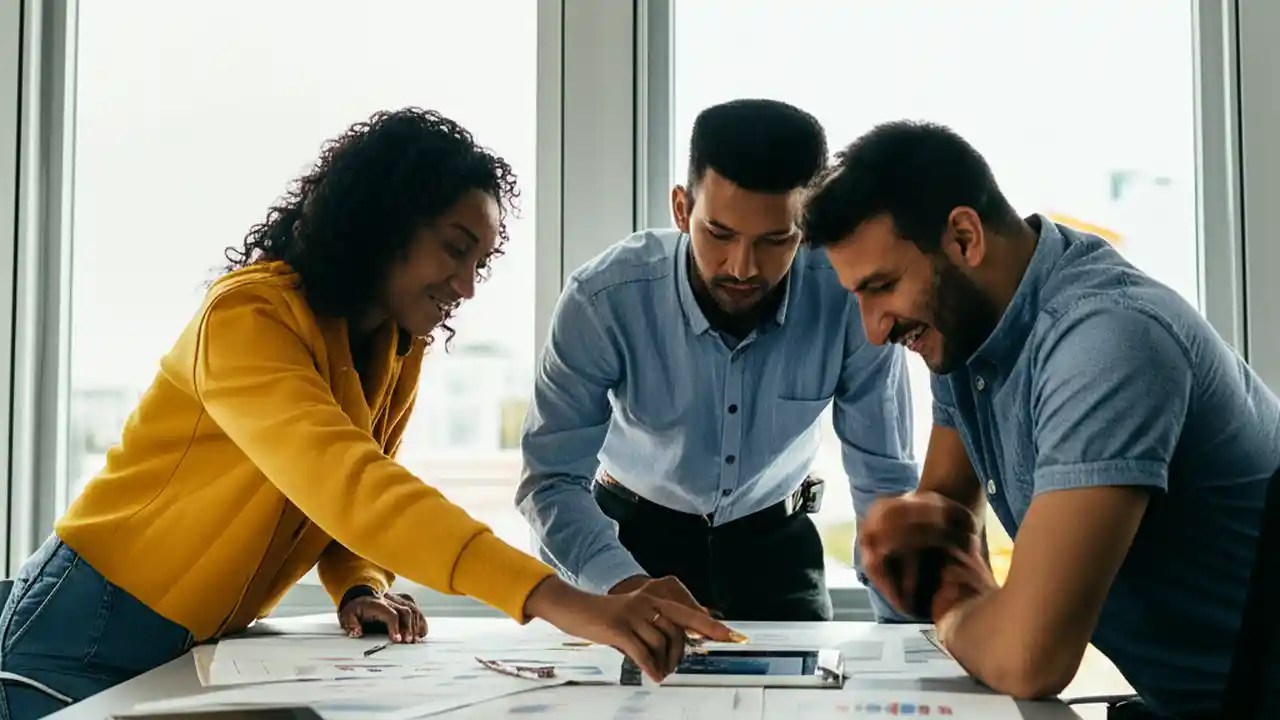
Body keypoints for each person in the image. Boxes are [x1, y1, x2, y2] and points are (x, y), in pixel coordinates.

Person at [0, 108, 734, 720]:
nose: (467, 286)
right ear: (385, 225)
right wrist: (558, 600)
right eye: (455, 250)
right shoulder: (247, 316)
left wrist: (359, 584)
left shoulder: (391, 343)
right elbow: (347, 484)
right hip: (86, 621)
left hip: (196, 640)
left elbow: (346, 500)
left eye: (480, 261)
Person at [801, 120, 1280, 717]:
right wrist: (914, 540)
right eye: (859, 297)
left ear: (964, 237)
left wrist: (953, 611)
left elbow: (1033, 658)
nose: (874, 331)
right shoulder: (966, 332)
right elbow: (940, 522)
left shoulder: (1105, 343)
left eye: (883, 286)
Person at [517, 99, 918, 623]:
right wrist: (623, 584)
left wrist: (910, 641)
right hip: (625, 542)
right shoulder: (603, 300)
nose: (743, 267)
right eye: (720, 234)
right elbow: (550, 480)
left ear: (810, 227)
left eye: (776, 240)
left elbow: (883, 480)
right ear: (682, 208)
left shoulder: (849, 298)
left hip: (777, 550)